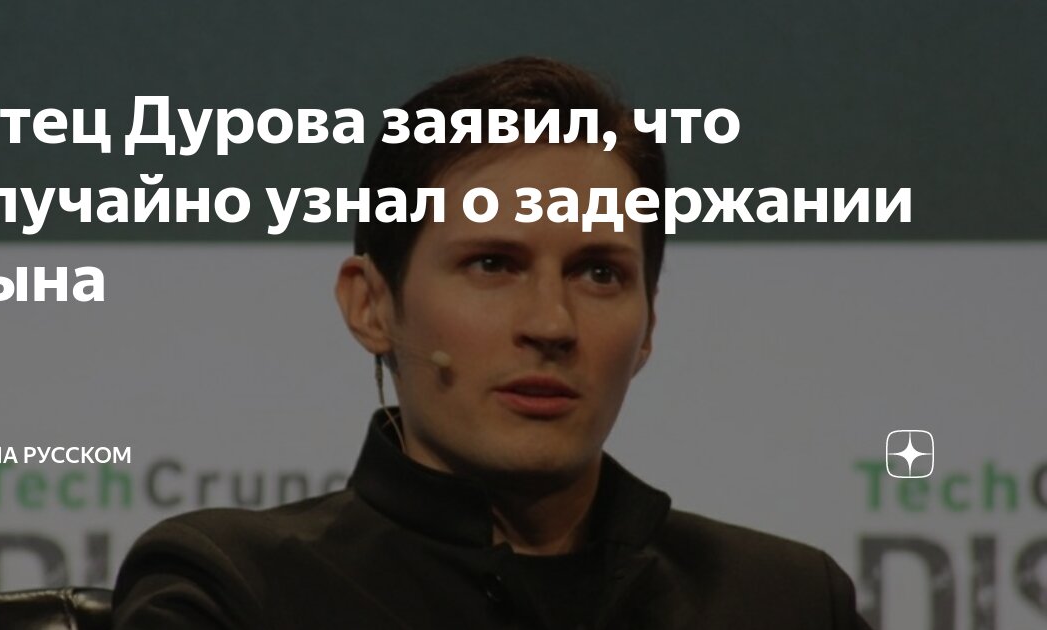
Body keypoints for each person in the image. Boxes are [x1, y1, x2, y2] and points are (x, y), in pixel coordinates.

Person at [112, 57, 872, 629]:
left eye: (599, 273)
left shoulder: (788, 602)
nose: (552, 324)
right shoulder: (234, 590)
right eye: (493, 264)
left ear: (648, 325)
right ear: (372, 305)